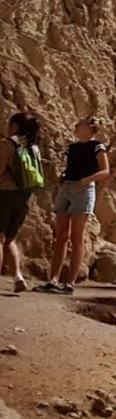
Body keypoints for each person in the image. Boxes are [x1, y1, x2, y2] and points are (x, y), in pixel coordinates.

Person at [40, 120, 109, 294]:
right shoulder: (72, 147)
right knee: (61, 235)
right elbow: (71, 166)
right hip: (67, 187)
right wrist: (63, 175)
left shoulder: (97, 146)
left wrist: (86, 181)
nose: (76, 127)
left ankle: (70, 283)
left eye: (80, 125)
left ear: (89, 128)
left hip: (84, 189)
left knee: (77, 237)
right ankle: (53, 279)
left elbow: (105, 170)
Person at [0, 114, 44, 293]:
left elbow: (0, 169)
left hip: (5, 194)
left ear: (15, 125)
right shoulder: (34, 147)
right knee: (10, 238)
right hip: (25, 196)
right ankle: (18, 276)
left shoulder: (9, 143)